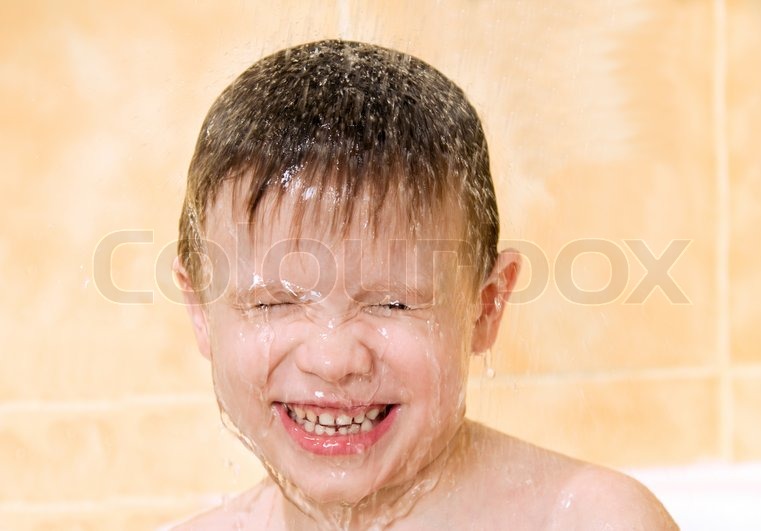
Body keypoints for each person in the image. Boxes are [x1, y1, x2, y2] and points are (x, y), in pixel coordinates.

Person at [171, 40, 677, 530]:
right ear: (200, 309)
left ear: (486, 306)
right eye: (273, 302)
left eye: (392, 303)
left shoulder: (588, 520)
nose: (333, 359)